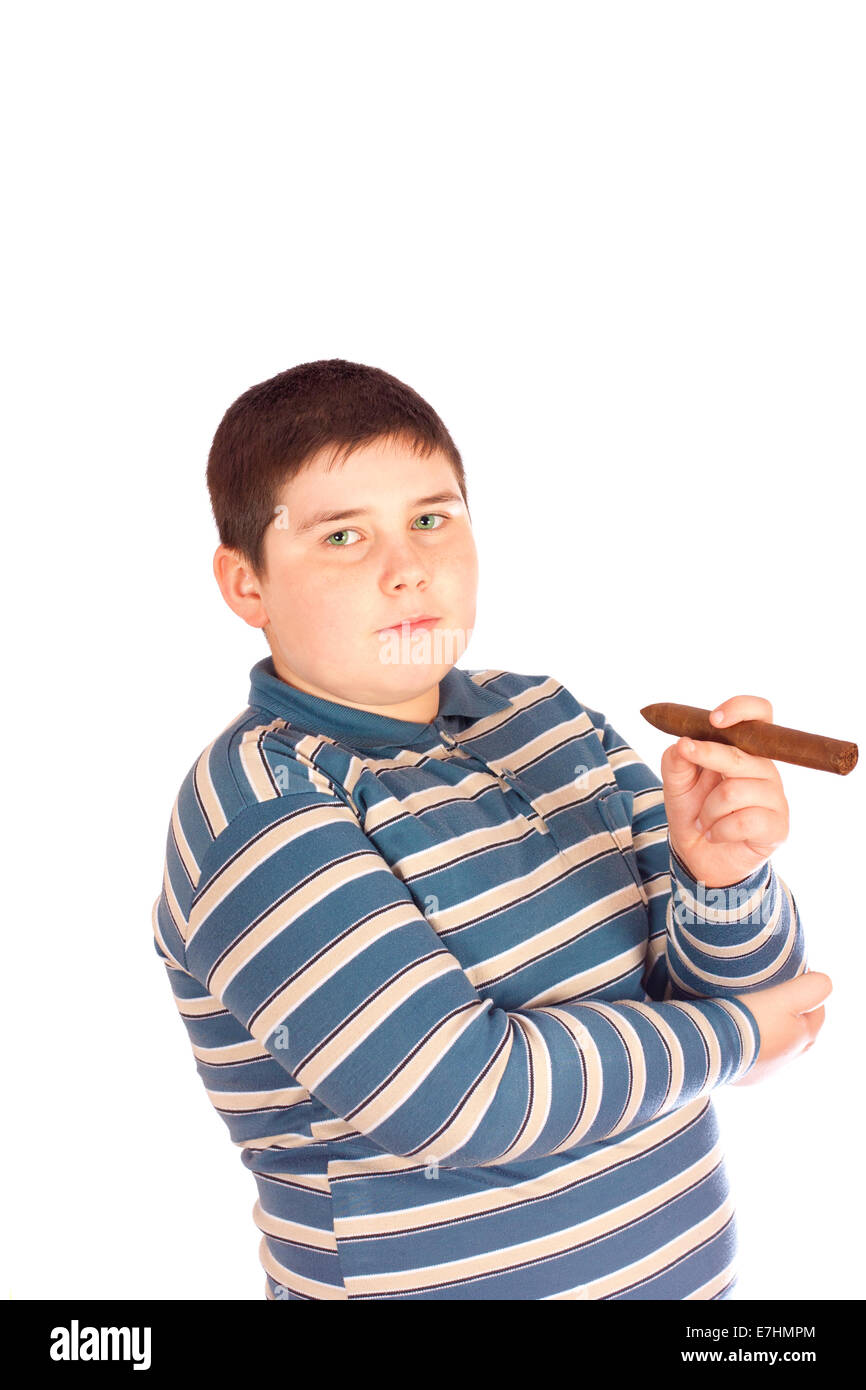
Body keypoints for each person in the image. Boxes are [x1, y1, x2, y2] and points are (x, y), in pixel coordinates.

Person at [151, 358, 831, 1300]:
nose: (408, 569)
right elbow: (463, 1099)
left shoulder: (549, 721)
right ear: (245, 585)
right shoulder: (259, 807)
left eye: (432, 519)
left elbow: (774, 1005)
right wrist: (730, 1039)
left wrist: (721, 878)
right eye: (344, 536)